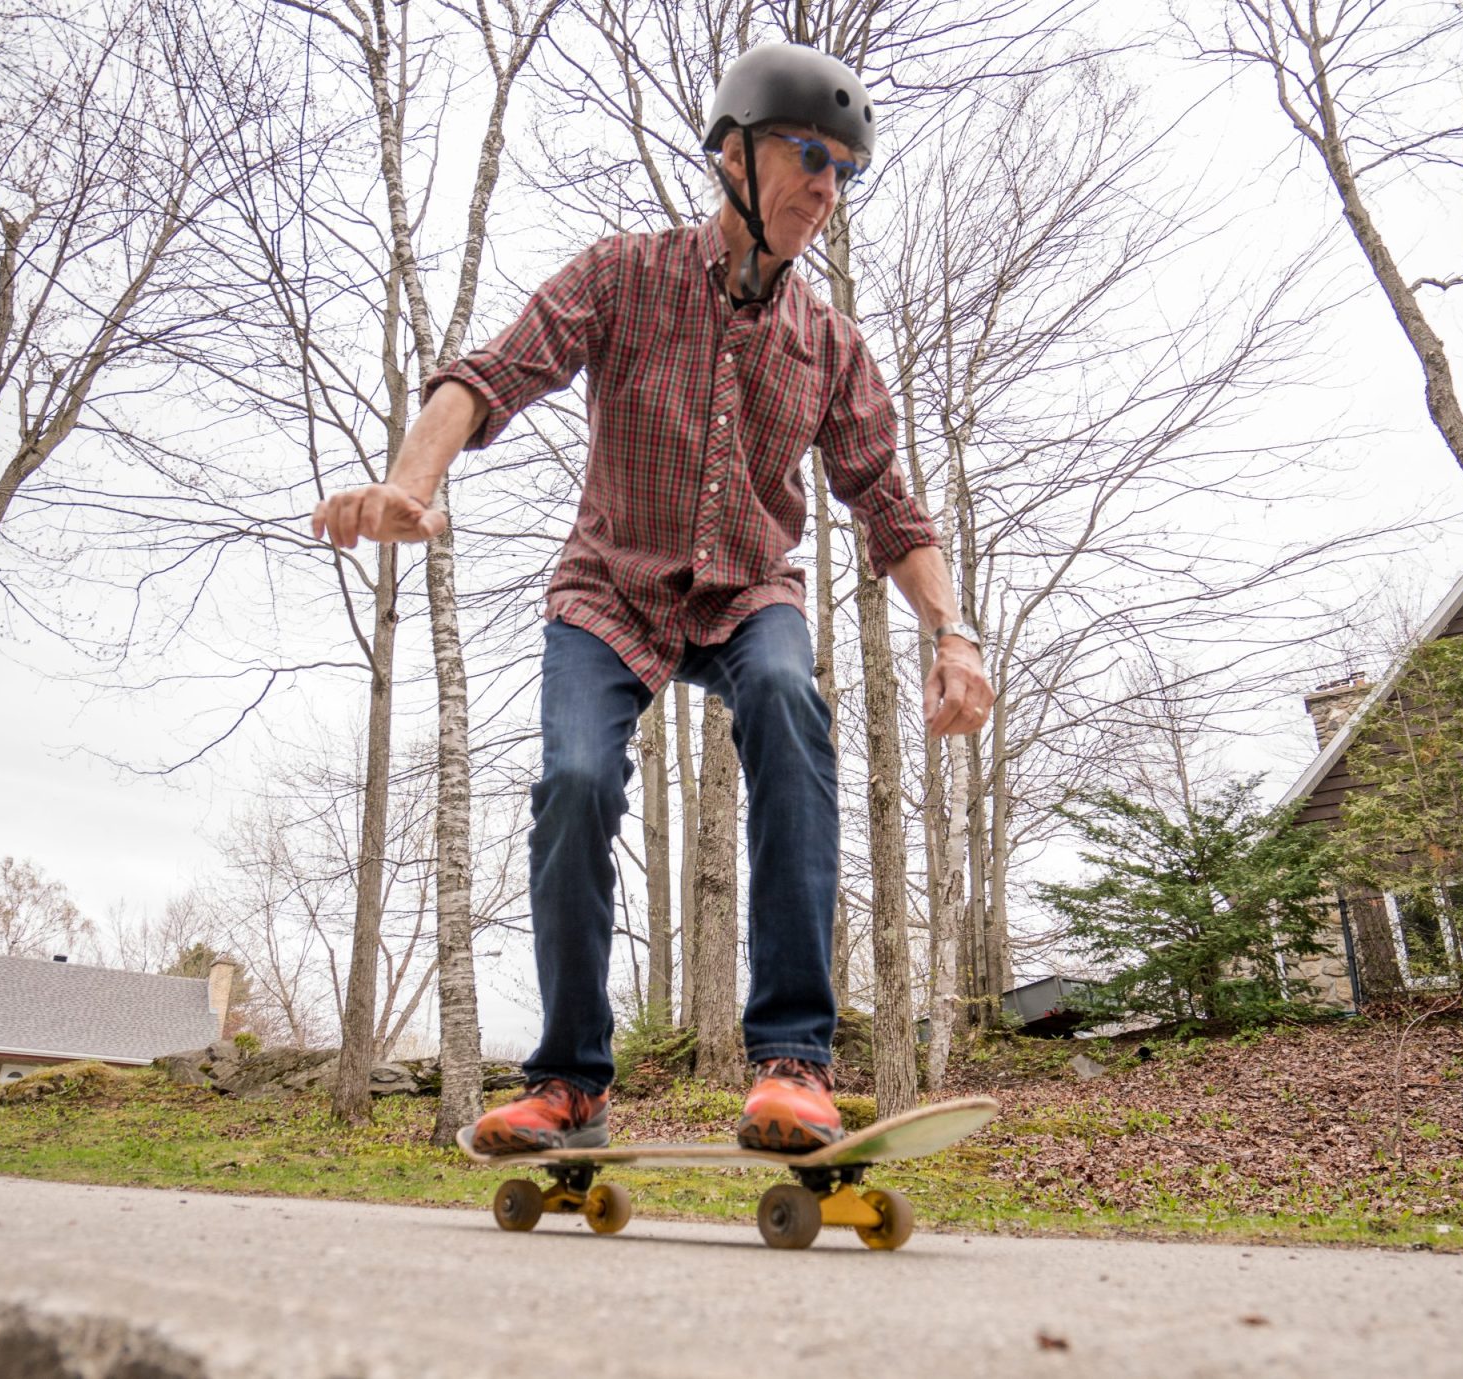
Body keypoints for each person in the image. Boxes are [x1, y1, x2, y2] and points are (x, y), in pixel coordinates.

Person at [311, 43, 992, 1156]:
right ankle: (569, 1080)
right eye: (806, 158)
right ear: (731, 154)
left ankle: (791, 1061)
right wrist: (409, 481)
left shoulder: (830, 344)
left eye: (843, 173)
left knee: (784, 696)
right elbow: (492, 372)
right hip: (608, 592)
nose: (824, 189)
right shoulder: (622, 274)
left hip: (748, 590)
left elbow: (888, 503)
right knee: (574, 781)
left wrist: (953, 633)